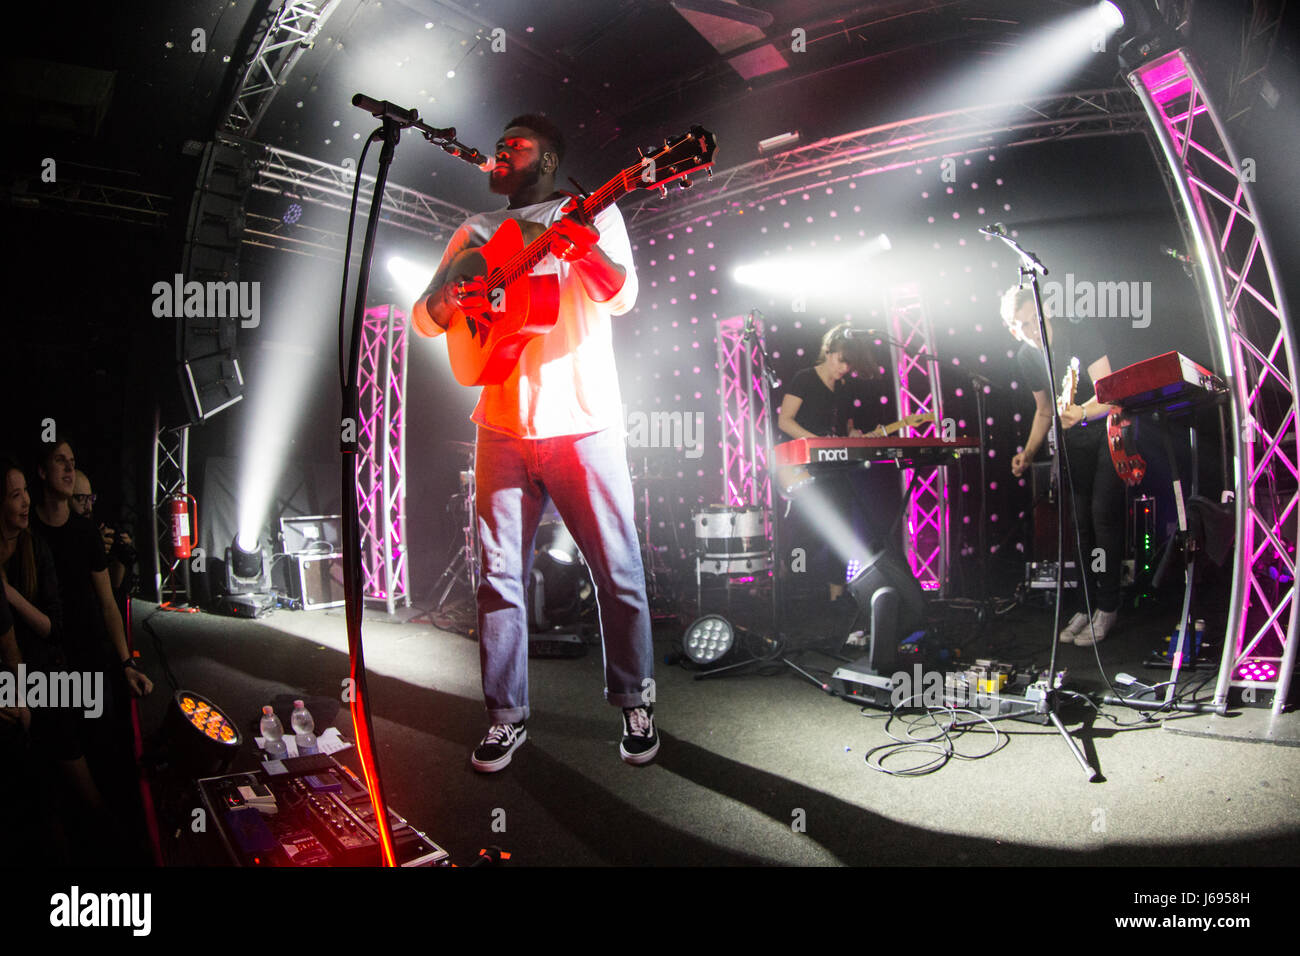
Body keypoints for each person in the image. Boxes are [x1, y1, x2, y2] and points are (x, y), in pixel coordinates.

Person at [411, 113, 656, 772]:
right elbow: (424, 318)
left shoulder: (591, 212)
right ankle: (504, 716)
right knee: (499, 582)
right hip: (501, 428)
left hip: (585, 422)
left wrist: (581, 247)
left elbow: (623, 295)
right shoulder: (476, 230)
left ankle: (635, 698)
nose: (498, 154)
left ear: (549, 160)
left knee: (620, 575)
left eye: (514, 147)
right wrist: (457, 298)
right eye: (496, 147)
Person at [1002, 286, 1125, 645]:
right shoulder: (1026, 358)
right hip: (1074, 442)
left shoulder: (1080, 330)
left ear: (1046, 312)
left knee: (1103, 518)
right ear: (1014, 330)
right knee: (1080, 525)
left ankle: (1108, 605)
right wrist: (1027, 452)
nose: (1034, 330)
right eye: (1024, 326)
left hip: (1106, 432)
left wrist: (1083, 412)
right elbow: (1044, 411)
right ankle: (1088, 605)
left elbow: (1111, 391)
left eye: (1036, 320)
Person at [777, 324, 894, 602]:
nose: (845, 368)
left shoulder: (844, 388)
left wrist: (855, 436)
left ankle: (836, 597)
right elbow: (785, 420)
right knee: (809, 534)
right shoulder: (804, 379)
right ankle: (785, 579)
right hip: (803, 466)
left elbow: (847, 429)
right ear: (828, 352)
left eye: (849, 364)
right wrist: (816, 442)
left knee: (841, 529)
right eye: (841, 360)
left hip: (834, 468)